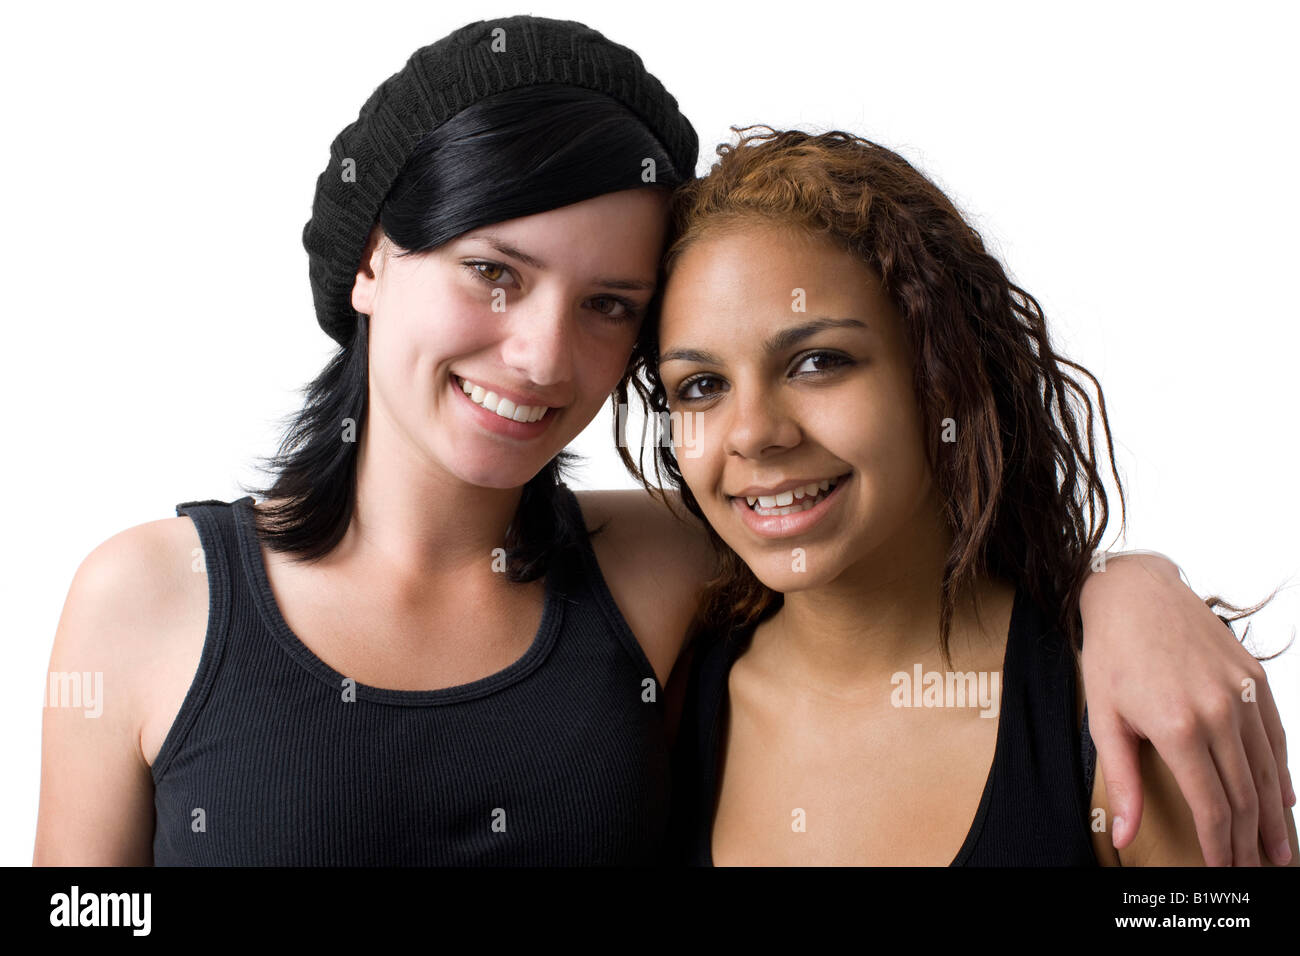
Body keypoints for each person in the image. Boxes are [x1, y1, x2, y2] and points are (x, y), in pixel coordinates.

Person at [33, 17, 1294, 866]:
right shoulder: (148, 600)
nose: (537, 355)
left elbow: (885, 547)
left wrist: (1133, 587)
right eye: (492, 271)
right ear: (371, 257)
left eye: (608, 309)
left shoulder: (654, 571)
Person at [641, 126, 1299, 865]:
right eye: (701, 386)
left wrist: (1129, 578)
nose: (753, 433)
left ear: (943, 371)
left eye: (818, 361)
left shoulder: (1124, 727)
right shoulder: (663, 693)